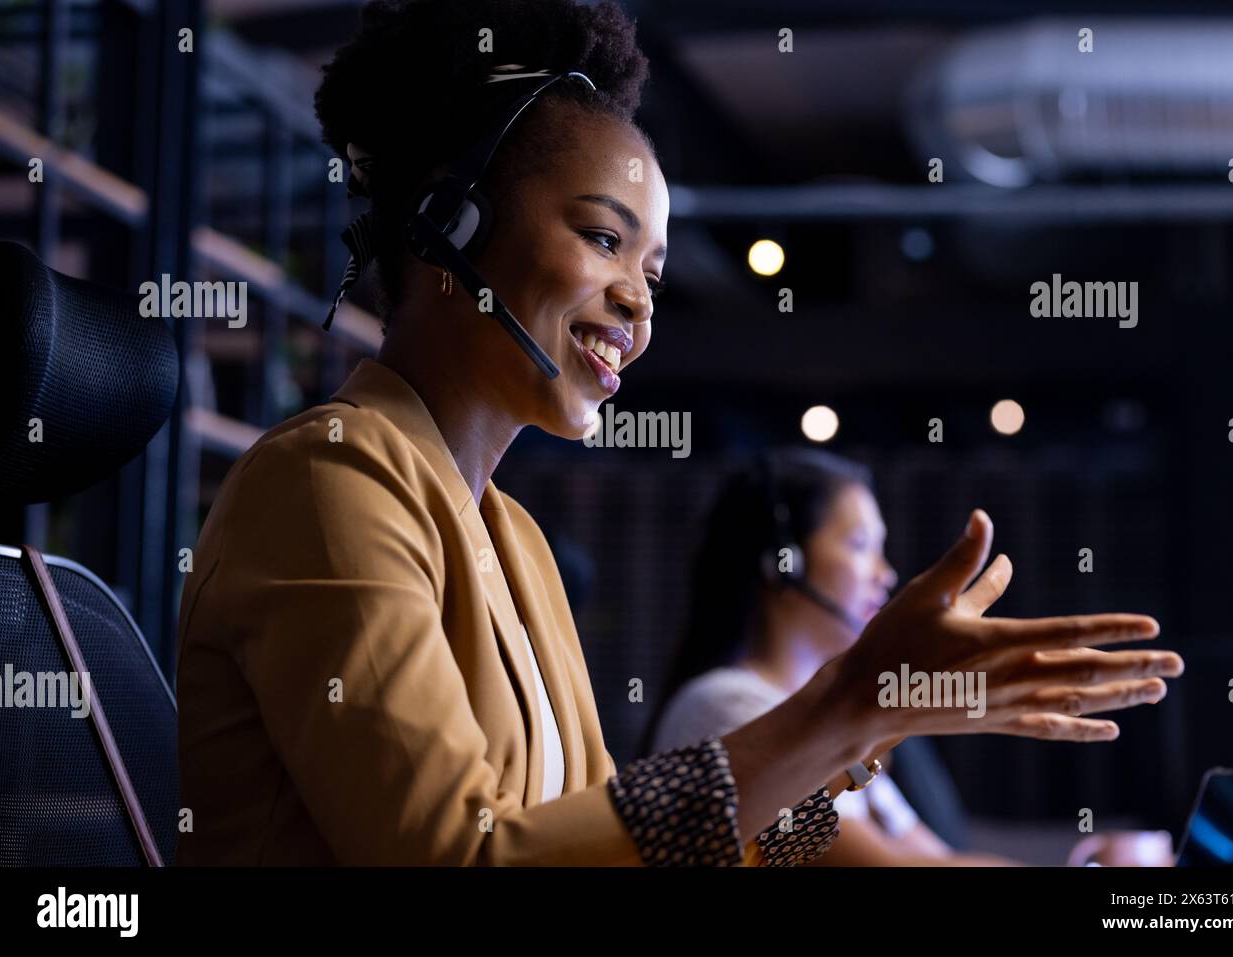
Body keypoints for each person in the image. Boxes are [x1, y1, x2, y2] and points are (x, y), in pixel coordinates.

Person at [174, 0, 1182, 867]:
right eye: (602, 238)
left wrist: (870, 726)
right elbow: (461, 857)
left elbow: (622, 841)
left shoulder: (514, 540)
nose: (637, 302)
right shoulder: (332, 479)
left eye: (652, 272)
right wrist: (844, 704)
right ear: (450, 224)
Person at [648, 450, 1176, 866]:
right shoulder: (723, 707)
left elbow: (937, 858)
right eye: (860, 545)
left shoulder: (835, 721)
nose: (886, 573)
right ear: (783, 562)